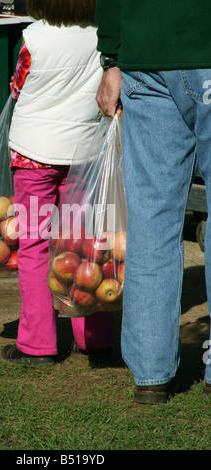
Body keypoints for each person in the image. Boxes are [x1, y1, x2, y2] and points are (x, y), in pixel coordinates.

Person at [95, 0, 211, 403]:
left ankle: (151, 375)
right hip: (201, 44)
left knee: (151, 215)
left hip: (143, 55)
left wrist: (110, 58)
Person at [1, 0, 115, 365]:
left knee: (34, 245)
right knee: (84, 246)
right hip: (85, 154)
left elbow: (17, 89)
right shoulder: (104, 37)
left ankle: (37, 345)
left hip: (33, 155)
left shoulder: (32, 37)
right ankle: (94, 337)